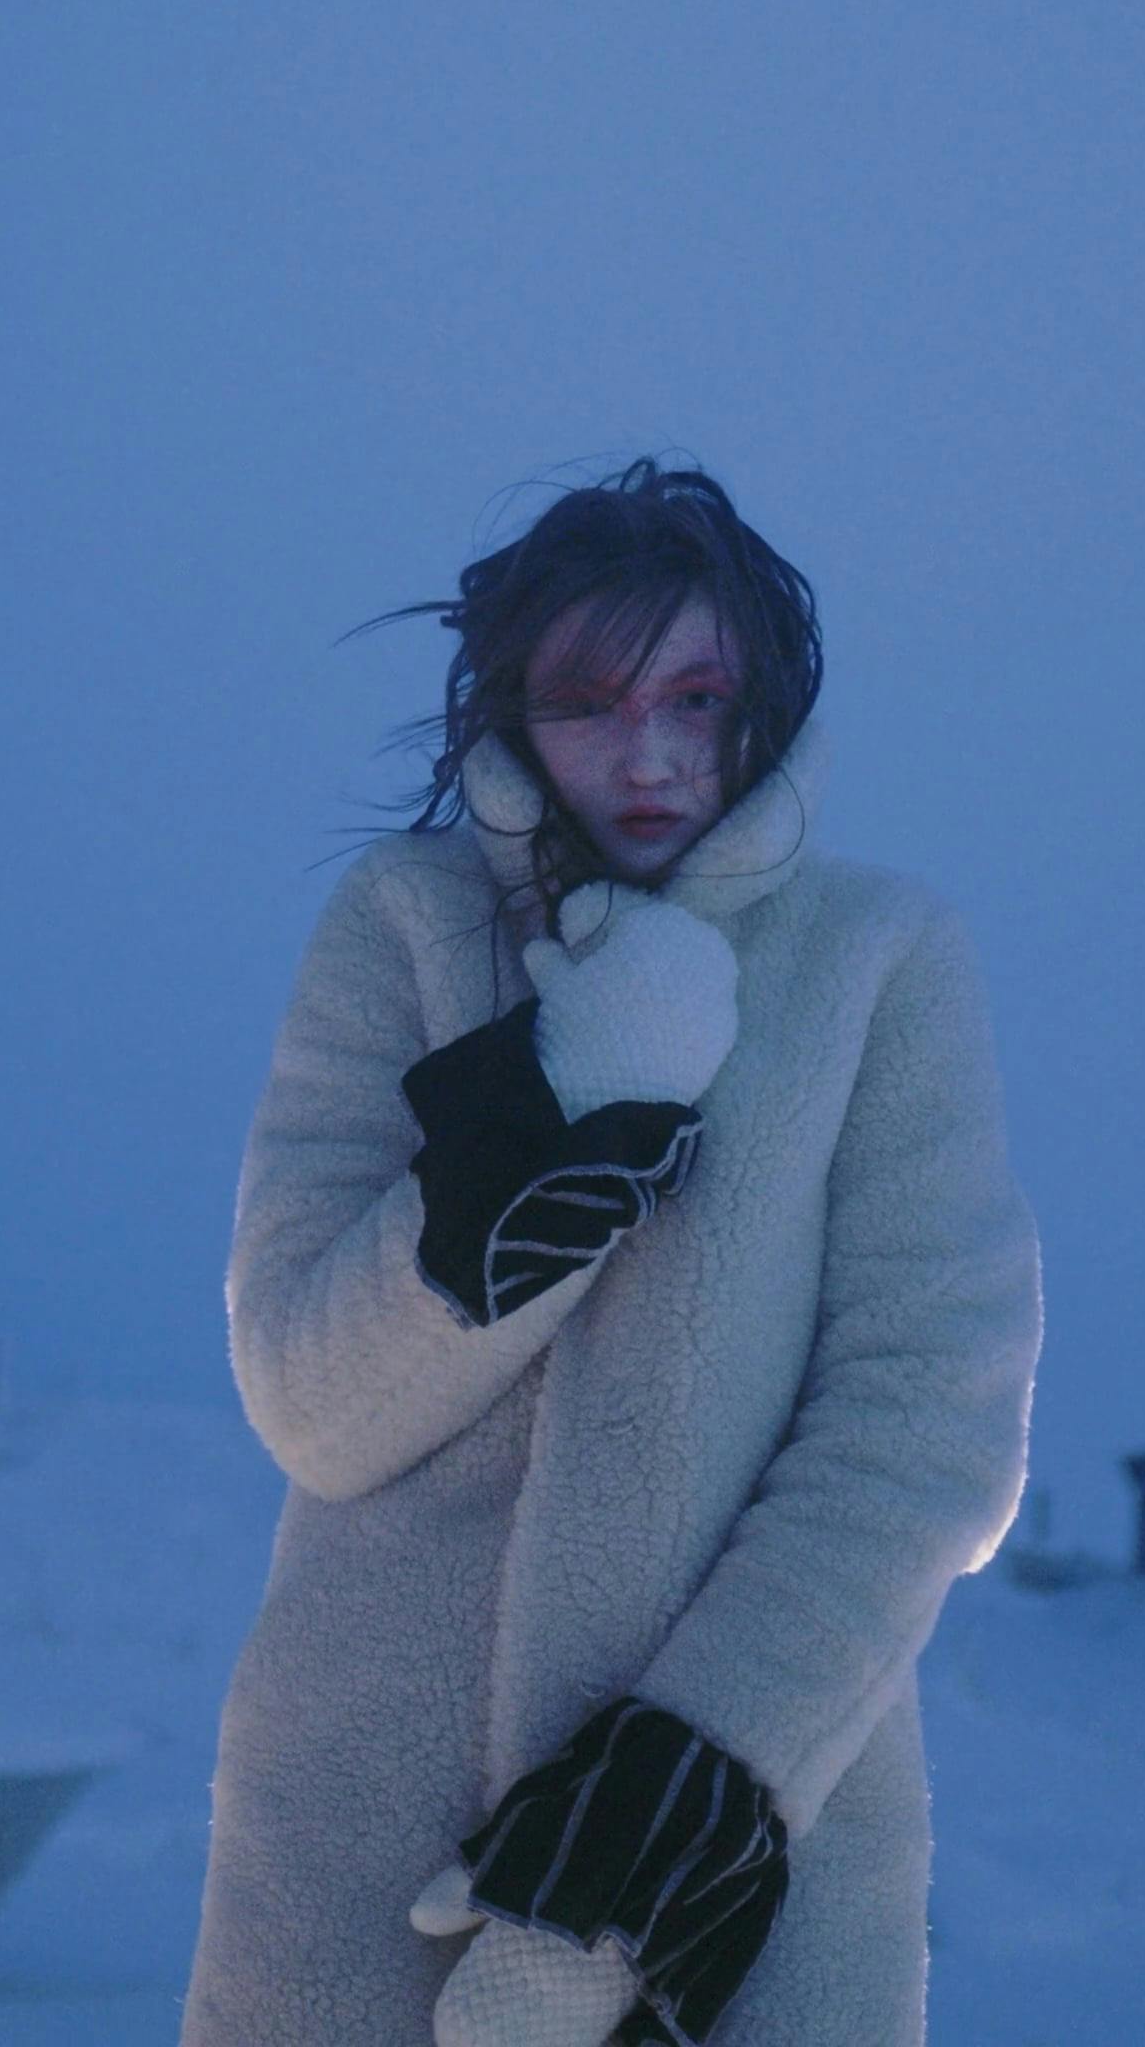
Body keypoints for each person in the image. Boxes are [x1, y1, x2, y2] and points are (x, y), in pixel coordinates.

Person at [180, 461, 1041, 2047]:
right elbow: (309, 1401)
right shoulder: (405, 924)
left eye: (699, 696)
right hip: (363, 1863)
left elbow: (928, 1426)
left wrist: (685, 1790)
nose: (648, 754)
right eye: (588, 697)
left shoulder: (880, 958)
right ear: (511, 703)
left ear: (762, 704)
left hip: (749, 1854)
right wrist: (562, 1096)